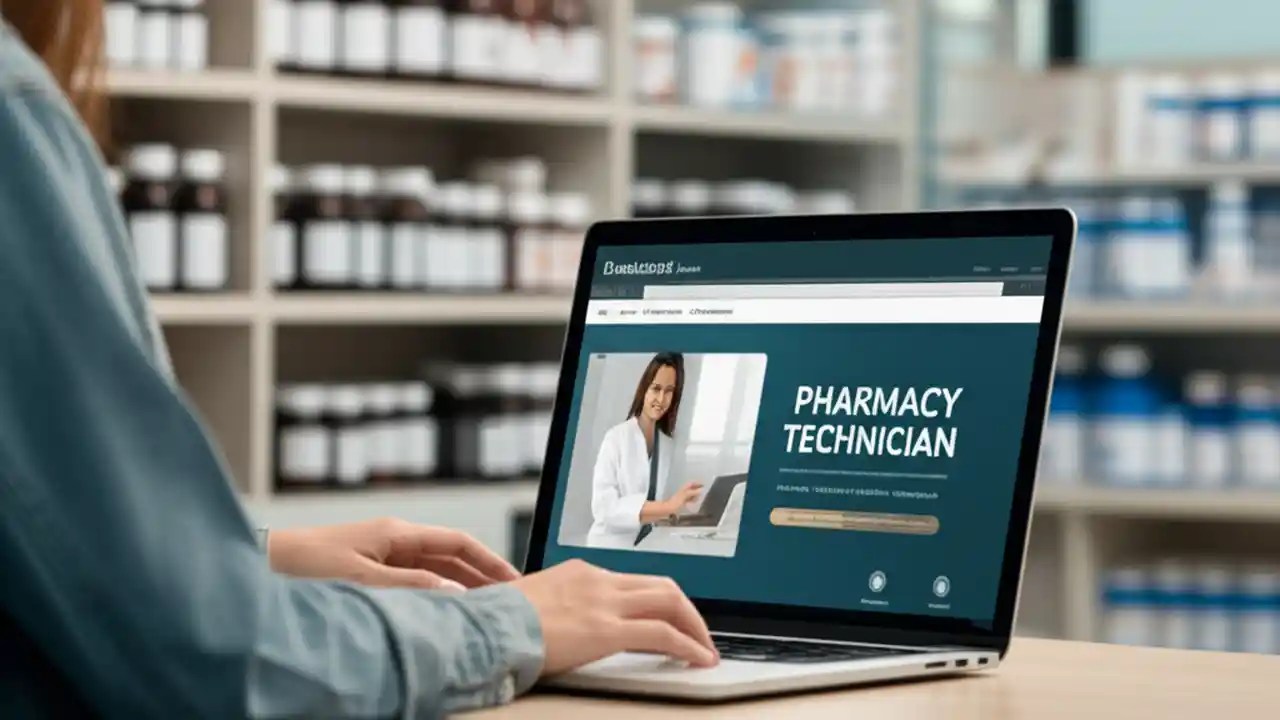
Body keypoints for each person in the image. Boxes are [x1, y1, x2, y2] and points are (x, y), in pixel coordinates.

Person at [0, 4, 716, 717]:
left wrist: (250, 557)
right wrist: (511, 625)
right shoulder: (12, 112)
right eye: (652, 386)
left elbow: (48, 534)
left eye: (666, 390)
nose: (658, 398)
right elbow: (211, 660)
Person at [588, 353, 705, 549]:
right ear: (644, 389)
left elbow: (655, 504)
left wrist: (678, 510)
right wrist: (668, 506)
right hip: (608, 546)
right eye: (656, 388)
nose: (661, 399)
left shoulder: (666, 445)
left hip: (644, 546)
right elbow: (604, 507)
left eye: (669, 391)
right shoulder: (616, 437)